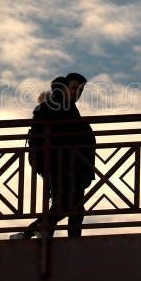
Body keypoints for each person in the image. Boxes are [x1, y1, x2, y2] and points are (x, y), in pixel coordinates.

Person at [11, 72, 96, 239]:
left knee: (72, 206)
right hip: (61, 164)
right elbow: (56, 133)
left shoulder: (67, 108)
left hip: (72, 164)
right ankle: (35, 232)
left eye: (81, 90)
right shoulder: (56, 107)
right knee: (69, 205)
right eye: (74, 88)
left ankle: (42, 232)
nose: (77, 93)